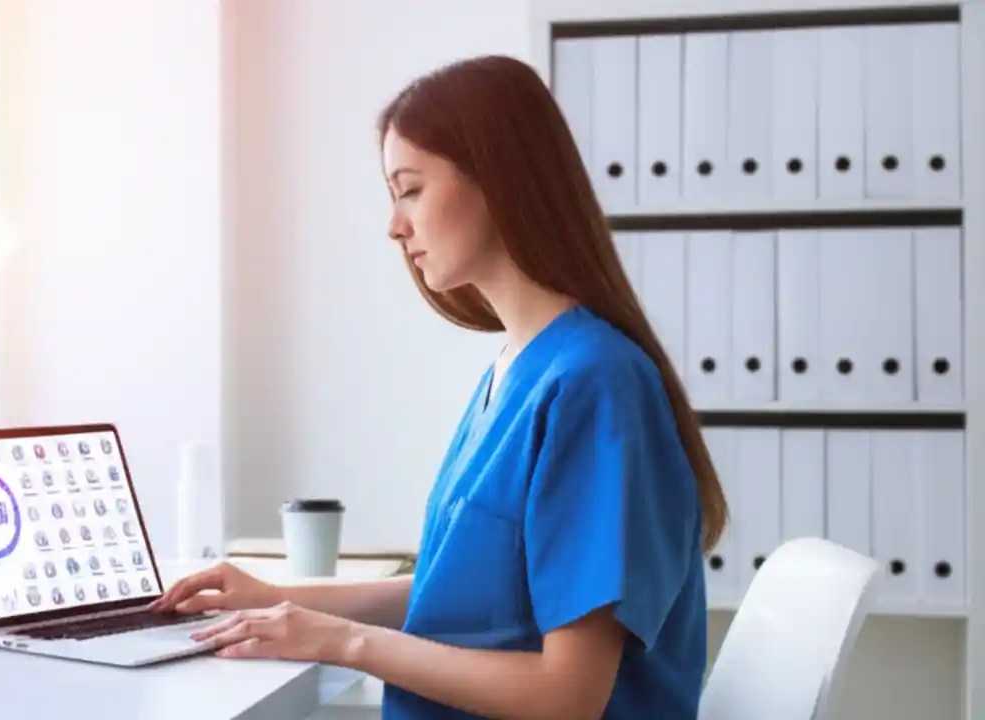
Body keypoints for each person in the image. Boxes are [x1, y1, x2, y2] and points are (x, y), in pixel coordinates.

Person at [150, 54, 727, 719]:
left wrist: (342, 640)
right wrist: (277, 598)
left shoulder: (594, 385)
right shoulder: (517, 370)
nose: (395, 225)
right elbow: (459, 599)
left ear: (497, 177)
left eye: (410, 188)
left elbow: (567, 697)